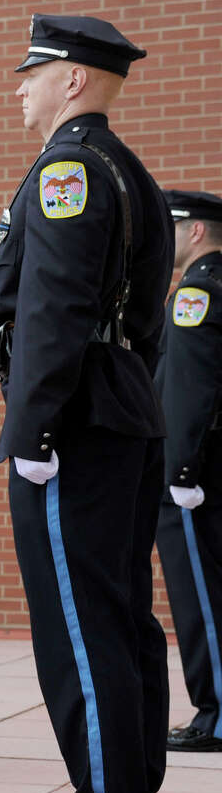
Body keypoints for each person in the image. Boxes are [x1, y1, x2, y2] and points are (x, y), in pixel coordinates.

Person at [0, 15, 172, 793]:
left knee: (81, 626)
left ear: (73, 79)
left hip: (77, 424)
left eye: (33, 71)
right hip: (124, 411)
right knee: (122, 619)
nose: (18, 85)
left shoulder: (68, 169)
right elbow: (142, 324)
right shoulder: (129, 171)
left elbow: (53, 308)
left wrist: (35, 428)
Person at [155, 190, 222, 753]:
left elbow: (190, 390)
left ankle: (217, 712)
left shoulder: (197, 292)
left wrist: (180, 469)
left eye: (173, 226)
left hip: (199, 475)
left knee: (202, 593)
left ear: (195, 231)